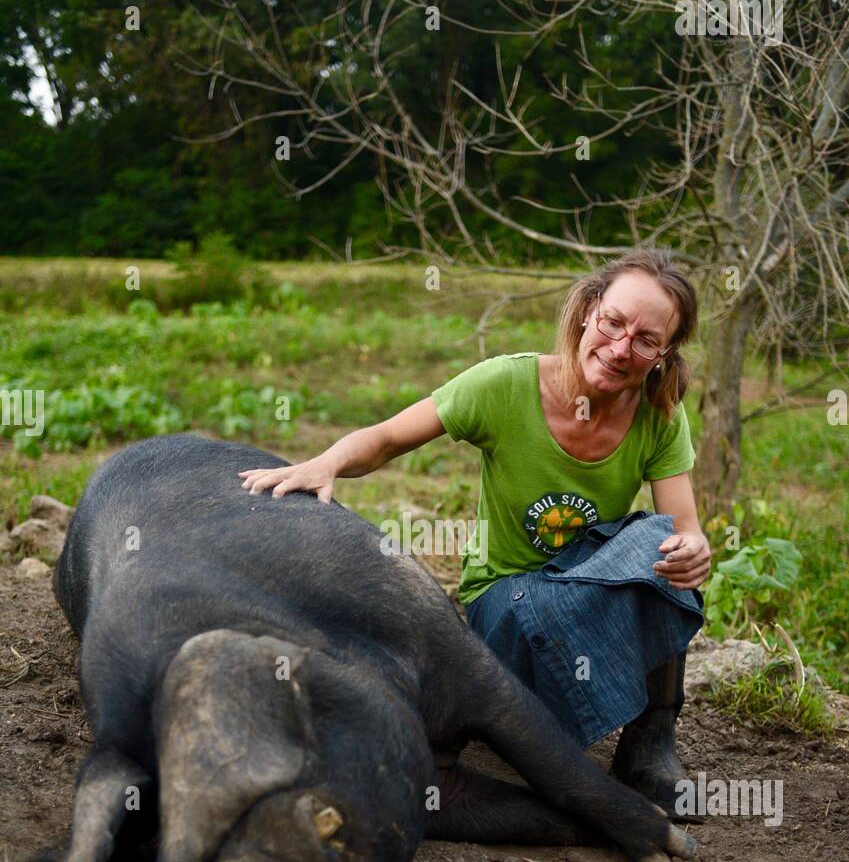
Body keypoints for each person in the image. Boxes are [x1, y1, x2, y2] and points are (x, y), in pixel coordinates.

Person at [238, 246, 712, 818]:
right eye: (613, 322)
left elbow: (683, 529)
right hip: (506, 601)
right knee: (618, 572)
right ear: (588, 310)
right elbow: (389, 437)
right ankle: (537, 724)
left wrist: (693, 549)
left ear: (663, 353)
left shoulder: (658, 413)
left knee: (662, 546)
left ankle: (649, 746)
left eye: (645, 339)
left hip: (579, 581)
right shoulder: (506, 385)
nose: (619, 348)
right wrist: (325, 463)